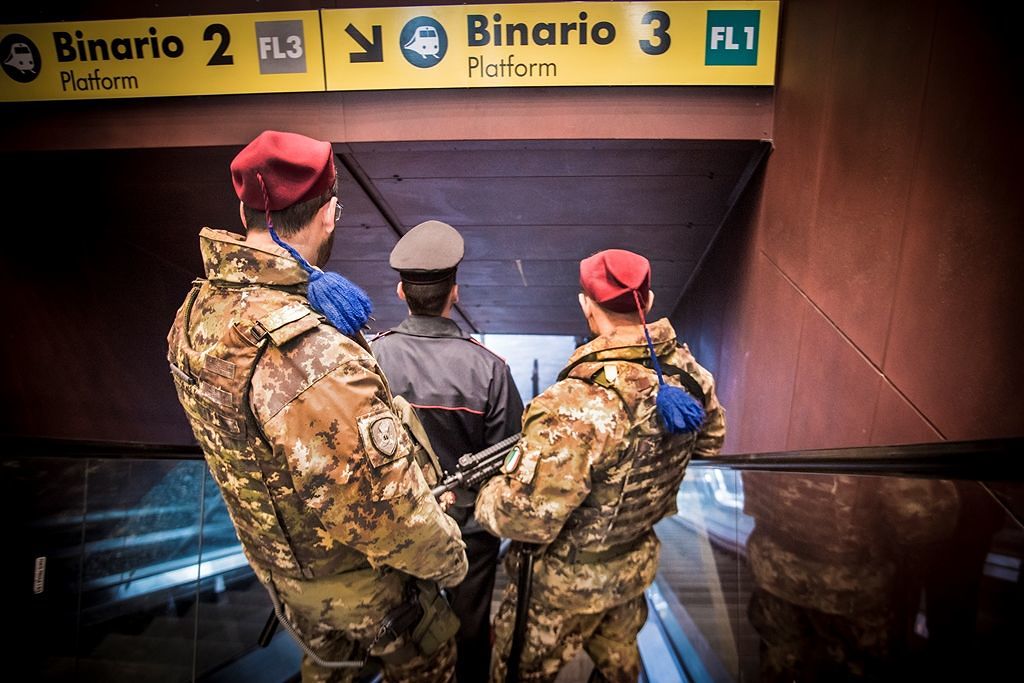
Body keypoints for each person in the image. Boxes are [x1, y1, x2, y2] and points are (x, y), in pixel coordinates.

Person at [166, 130, 467, 683]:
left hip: (282, 575)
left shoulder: (195, 315)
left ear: (244, 208)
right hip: (370, 593)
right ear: (328, 213)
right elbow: (386, 517)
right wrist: (451, 556)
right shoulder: (312, 354)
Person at [475, 248, 726, 683]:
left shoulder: (575, 402)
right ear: (646, 302)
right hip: (630, 571)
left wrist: (488, 494)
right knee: (621, 670)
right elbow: (710, 444)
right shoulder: (691, 377)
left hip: (560, 590)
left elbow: (525, 518)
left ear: (586, 306)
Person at [371, 220, 525, 683]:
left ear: (401, 291)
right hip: (469, 535)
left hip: (393, 531)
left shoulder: (369, 360)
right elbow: (508, 463)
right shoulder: (490, 371)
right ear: (453, 292)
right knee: (470, 635)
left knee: (396, 637)